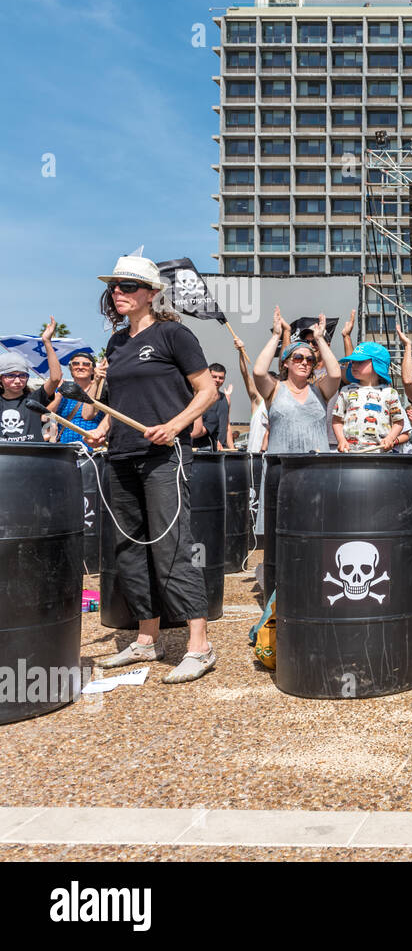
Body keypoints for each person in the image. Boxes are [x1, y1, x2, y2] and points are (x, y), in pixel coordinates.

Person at [84, 254, 218, 684]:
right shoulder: (117, 344)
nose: (118, 293)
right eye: (115, 287)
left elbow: (207, 391)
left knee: (173, 547)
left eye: (128, 287)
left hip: (166, 457)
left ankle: (200, 645)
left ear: (152, 294)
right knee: (129, 549)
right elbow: (120, 403)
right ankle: (146, 639)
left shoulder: (173, 334)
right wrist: (103, 427)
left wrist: (176, 425)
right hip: (121, 456)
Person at [252, 308, 342, 455]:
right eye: (298, 358)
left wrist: (320, 338)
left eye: (310, 359)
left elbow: (335, 374)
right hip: (281, 470)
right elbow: (259, 372)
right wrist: (276, 336)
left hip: (317, 471)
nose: (304, 362)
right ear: (286, 363)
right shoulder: (275, 389)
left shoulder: (319, 390)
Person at [332, 342, 408, 452]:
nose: (354, 365)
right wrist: (341, 440)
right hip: (350, 453)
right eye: (353, 362)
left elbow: (398, 421)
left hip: (381, 454)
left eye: (360, 362)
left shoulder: (390, 393)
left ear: (378, 364)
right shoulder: (346, 391)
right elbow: (337, 420)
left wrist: (390, 438)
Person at [0, 318, 62, 444]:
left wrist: (47, 342)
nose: (17, 381)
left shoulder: (34, 399)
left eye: (22, 375)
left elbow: (55, 378)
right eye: (11, 376)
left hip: (32, 458)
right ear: (1, 378)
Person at [44, 348, 102, 445]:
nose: (80, 367)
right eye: (75, 364)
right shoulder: (61, 391)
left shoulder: (100, 390)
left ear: (93, 370)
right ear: (71, 369)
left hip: (92, 447)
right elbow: (45, 417)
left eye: (86, 364)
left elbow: (89, 416)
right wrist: (59, 395)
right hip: (65, 447)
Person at [191, 362, 229, 451]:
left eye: (221, 378)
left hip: (218, 447)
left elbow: (227, 426)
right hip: (199, 446)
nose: (217, 380)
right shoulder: (197, 398)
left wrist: (231, 447)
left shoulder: (225, 399)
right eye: (214, 377)